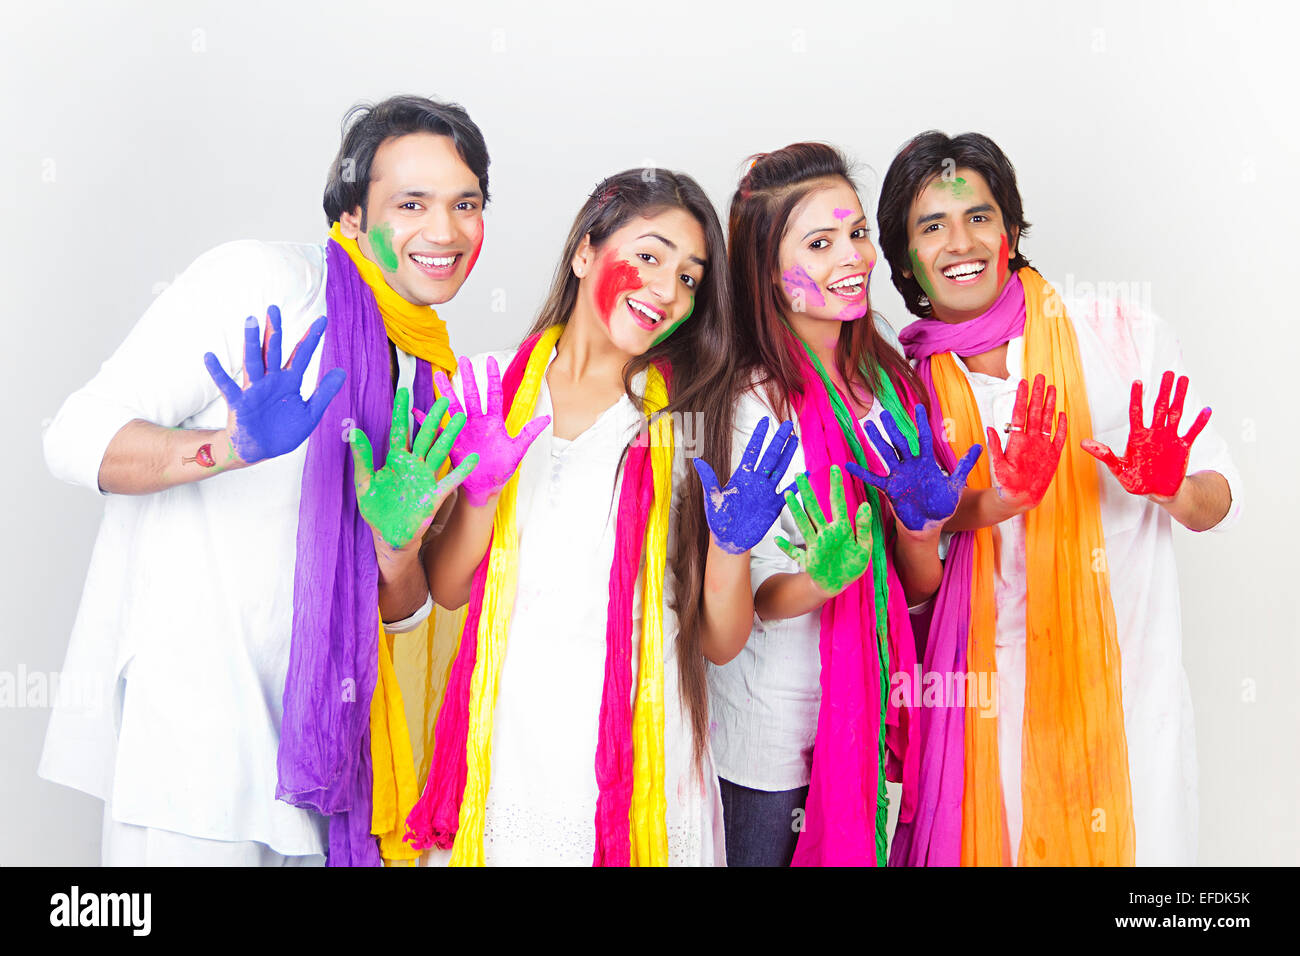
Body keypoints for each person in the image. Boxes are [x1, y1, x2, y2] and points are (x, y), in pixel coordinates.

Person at [40, 94, 490, 866]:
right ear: (352, 214)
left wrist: (398, 551)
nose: (444, 231)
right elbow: (73, 438)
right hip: (196, 748)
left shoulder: (429, 370)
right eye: (411, 204)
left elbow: (402, 616)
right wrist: (232, 447)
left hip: (325, 760)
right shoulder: (264, 287)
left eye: (466, 204)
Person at [878, 131, 1241, 866]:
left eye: (979, 217)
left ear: (1010, 233)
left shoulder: (1119, 334)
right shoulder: (899, 392)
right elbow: (914, 584)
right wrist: (959, 516)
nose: (961, 242)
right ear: (906, 257)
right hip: (988, 709)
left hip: (1131, 703)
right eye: (931, 226)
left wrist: (1169, 487)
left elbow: (1217, 499)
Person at [405, 167, 758, 866]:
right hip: (508, 751)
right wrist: (479, 497)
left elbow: (717, 644)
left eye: (690, 277)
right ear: (584, 252)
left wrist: (734, 547)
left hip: (643, 769)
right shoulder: (481, 389)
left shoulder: (693, 420)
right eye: (651, 256)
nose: (668, 290)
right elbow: (445, 590)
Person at [707, 143, 980, 866]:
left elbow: (917, 586)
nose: (852, 257)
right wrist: (825, 579)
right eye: (820, 243)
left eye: (857, 233)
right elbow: (754, 599)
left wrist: (921, 531)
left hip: (879, 731)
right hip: (774, 746)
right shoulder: (750, 405)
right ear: (766, 272)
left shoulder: (889, 386)